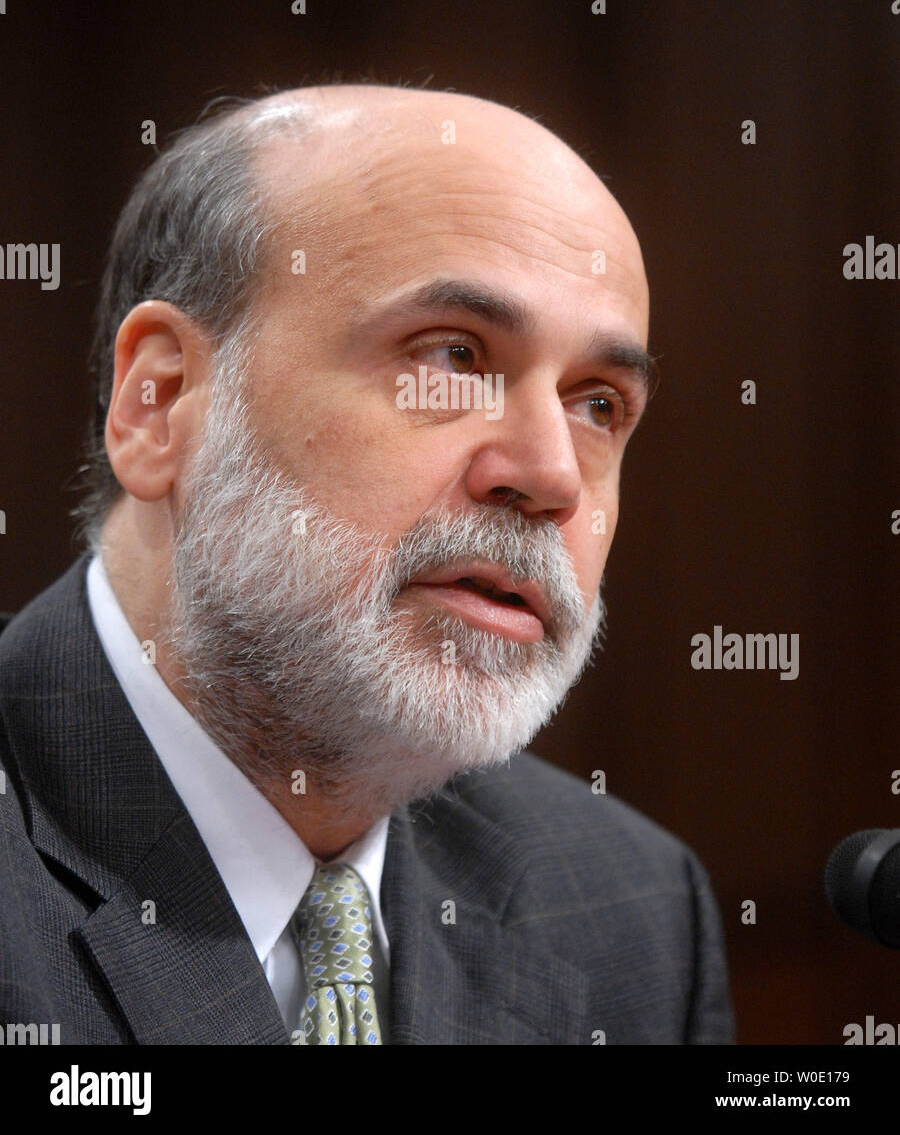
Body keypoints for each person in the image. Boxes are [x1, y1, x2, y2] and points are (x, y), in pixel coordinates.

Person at [0, 84, 735, 1044]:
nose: (553, 475)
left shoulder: (632, 907)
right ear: (163, 402)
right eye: (453, 358)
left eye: (599, 403)